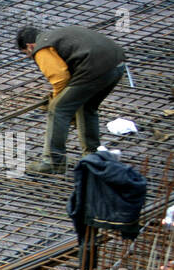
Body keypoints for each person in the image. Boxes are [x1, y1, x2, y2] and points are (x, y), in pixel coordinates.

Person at [17, 25, 127, 175]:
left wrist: (57, 101)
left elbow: (60, 79)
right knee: (86, 106)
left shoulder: (41, 47)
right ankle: (92, 155)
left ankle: (53, 161)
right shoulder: (57, 35)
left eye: (27, 54)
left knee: (57, 109)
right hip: (117, 65)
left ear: (30, 46)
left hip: (95, 69)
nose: (31, 57)